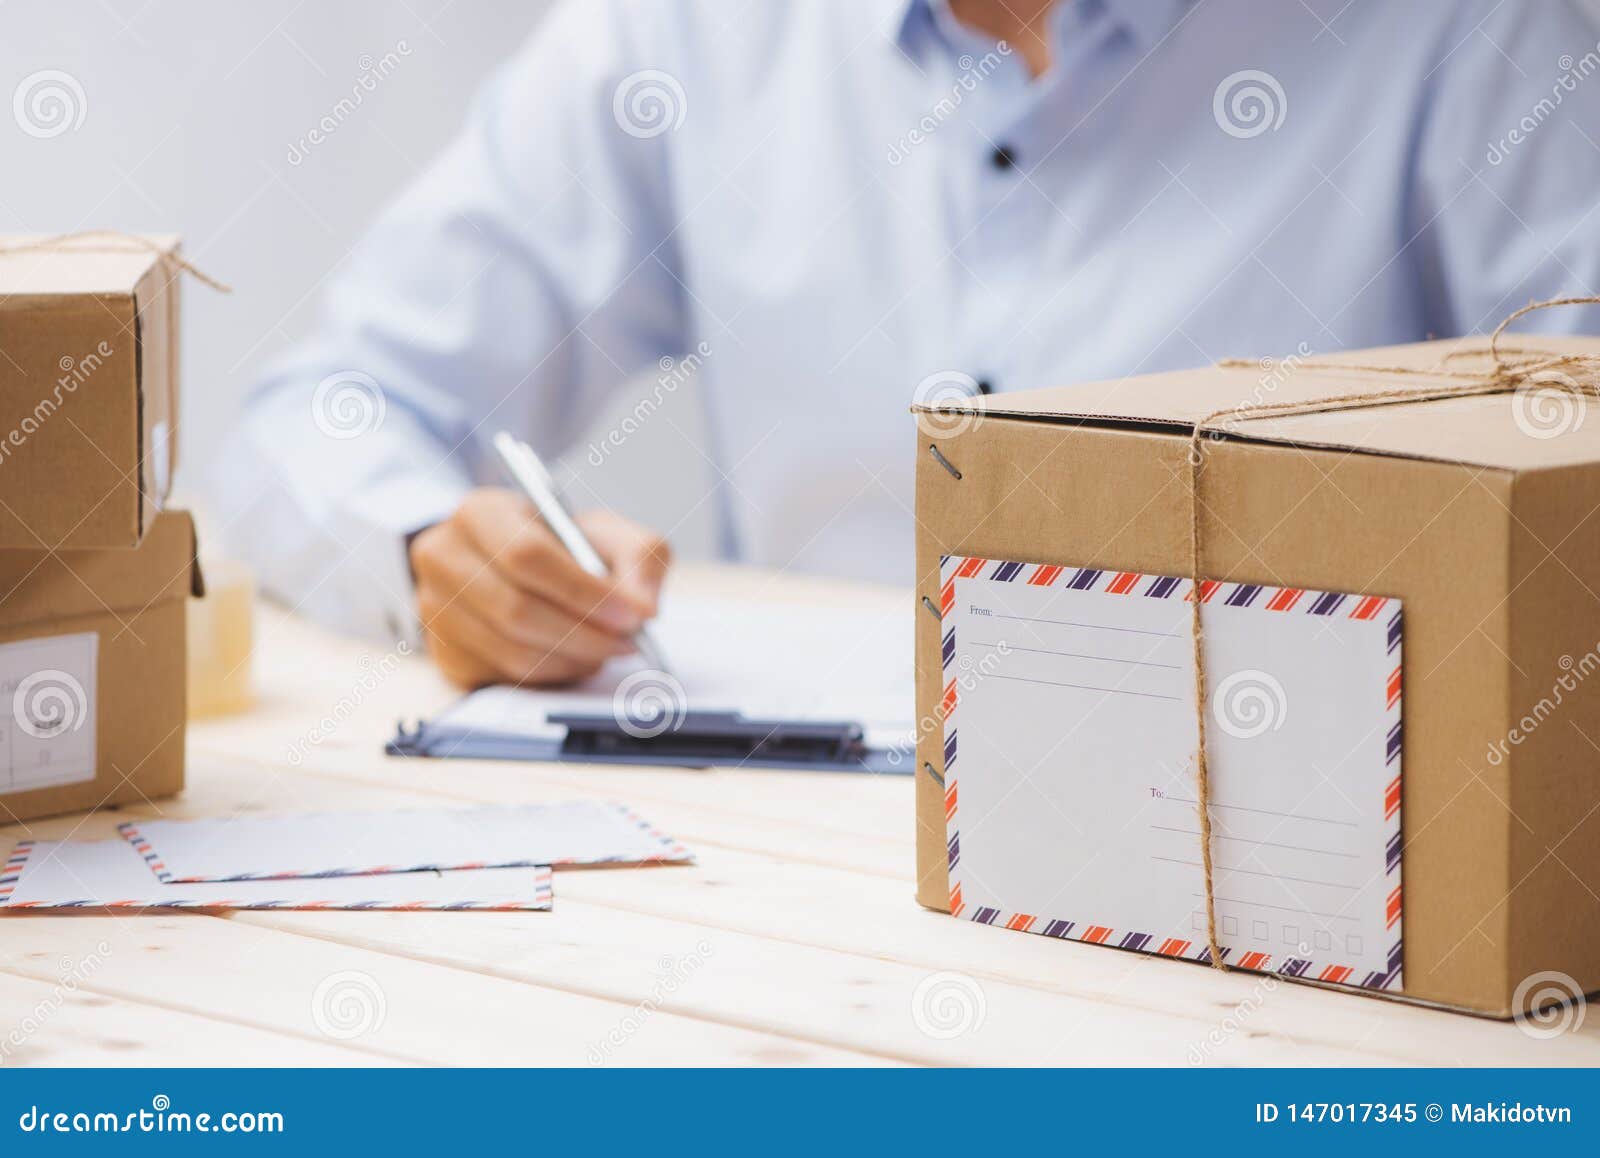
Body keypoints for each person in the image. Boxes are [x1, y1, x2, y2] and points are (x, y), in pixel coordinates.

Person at [217, 0, 1600, 688]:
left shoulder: (1473, 33)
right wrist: (422, 545)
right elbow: (329, 407)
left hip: (1300, 854)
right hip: (790, 865)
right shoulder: (689, 33)